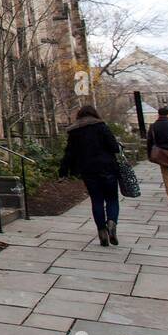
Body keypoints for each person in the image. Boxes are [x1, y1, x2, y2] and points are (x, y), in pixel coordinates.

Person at [60, 105, 124, 247]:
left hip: (88, 170)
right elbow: (114, 147)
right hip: (108, 168)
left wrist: (63, 171)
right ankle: (112, 222)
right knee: (112, 198)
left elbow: (69, 153)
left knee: (96, 200)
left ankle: (101, 230)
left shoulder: (74, 131)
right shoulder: (101, 126)